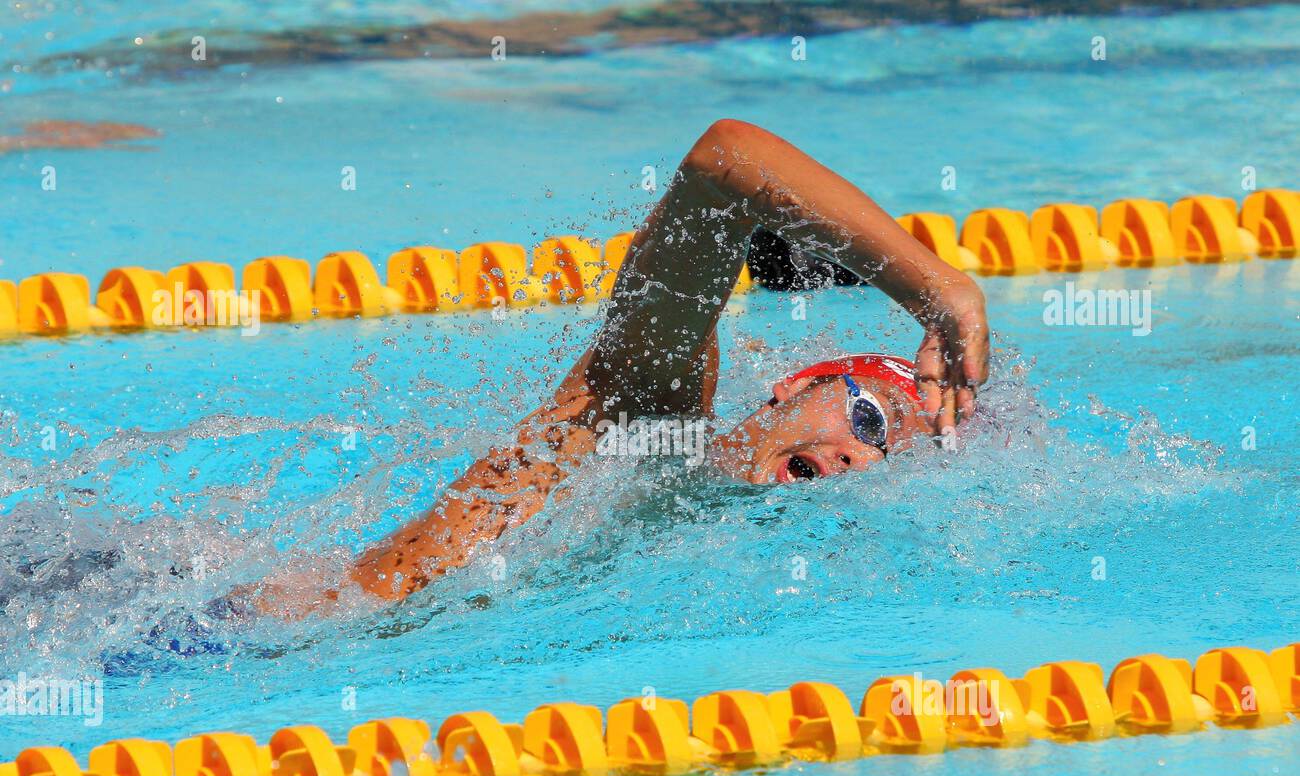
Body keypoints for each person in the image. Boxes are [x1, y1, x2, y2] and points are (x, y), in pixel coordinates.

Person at [251, 119, 989, 617]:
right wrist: (938, 291)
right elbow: (724, 160)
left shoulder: (724, 563)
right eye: (870, 418)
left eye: (887, 460)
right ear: (793, 386)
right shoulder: (650, 415)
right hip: (219, 646)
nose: (863, 457)